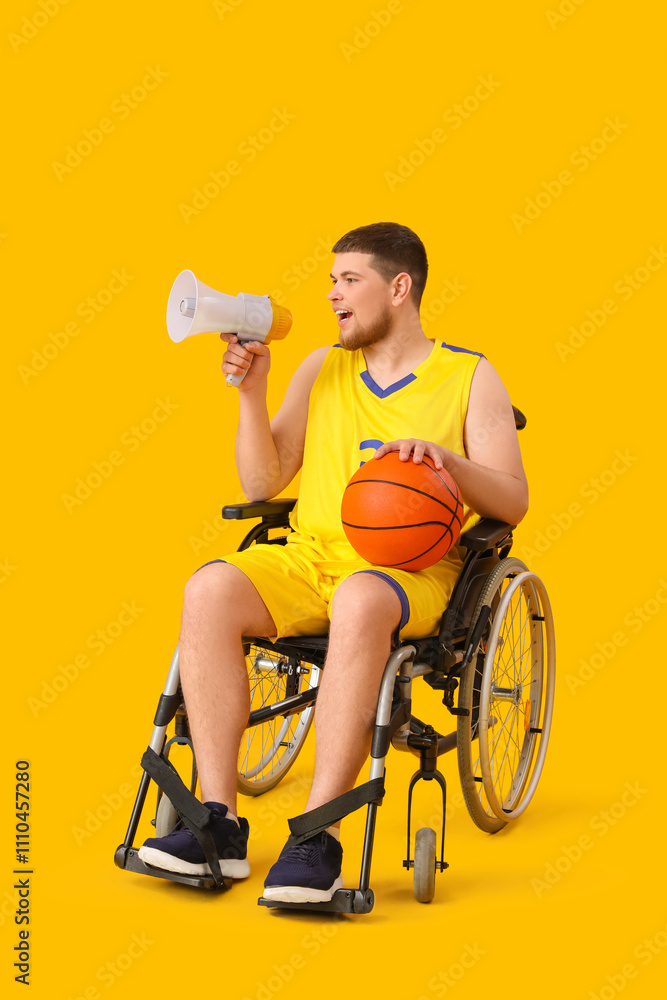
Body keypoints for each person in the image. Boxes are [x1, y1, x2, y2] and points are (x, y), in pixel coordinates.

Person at [138, 222, 529, 903]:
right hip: (310, 558)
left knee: (359, 599)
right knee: (207, 589)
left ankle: (316, 836)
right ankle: (217, 823)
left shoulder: (470, 376)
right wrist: (251, 392)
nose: (332, 294)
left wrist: (449, 463)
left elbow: (513, 500)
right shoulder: (321, 366)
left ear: (399, 288)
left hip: (409, 574)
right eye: (331, 280)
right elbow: (263, 482)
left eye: (349, 280)